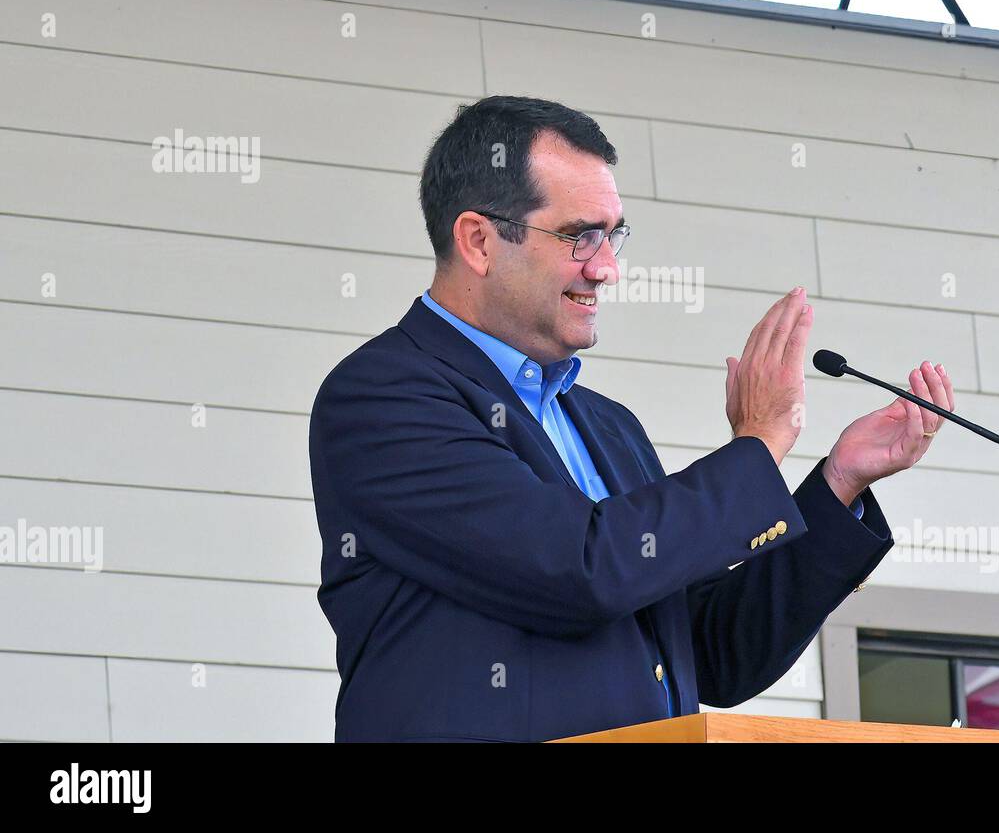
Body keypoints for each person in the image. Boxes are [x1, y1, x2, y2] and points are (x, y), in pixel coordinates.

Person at [309, 95, 954, 741]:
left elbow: (711, 651)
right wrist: (757, 444)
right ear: (479, 240)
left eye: (613, 234)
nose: (607, 267)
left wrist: (839, 481)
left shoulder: (607, 424)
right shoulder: (384, 396)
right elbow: (581, 569)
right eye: (577, 235)